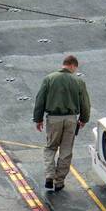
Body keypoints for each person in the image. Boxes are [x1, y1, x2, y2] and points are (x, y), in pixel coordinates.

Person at [32, 55, 91, 192]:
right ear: (72, 65)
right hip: (71, 120)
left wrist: (38, 119)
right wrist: (83, 119)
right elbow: (85, 103)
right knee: (66, 150)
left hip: (53, 119)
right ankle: (59, 181)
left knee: (50, 148)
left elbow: (40, 99)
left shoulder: (49, 78)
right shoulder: (79, 81)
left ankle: (49, 176)